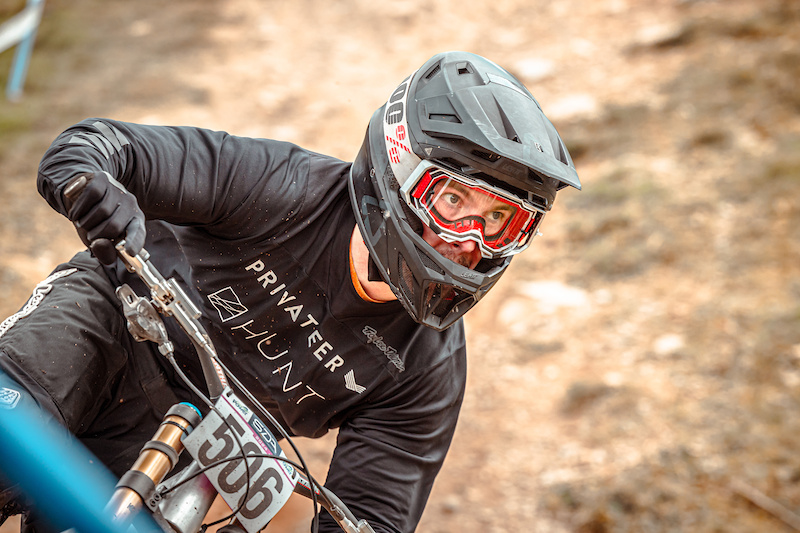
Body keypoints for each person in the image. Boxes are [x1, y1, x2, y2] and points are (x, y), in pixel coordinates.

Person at [0, 51, 581, 533]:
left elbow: (372, 517)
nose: (470, 240)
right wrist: (90, 187)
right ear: (399, 166)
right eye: (452, 201)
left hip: (200, 451)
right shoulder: (285, 187)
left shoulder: (427, 369)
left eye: (501, 220)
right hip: (107, 321)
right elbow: (96, 145)